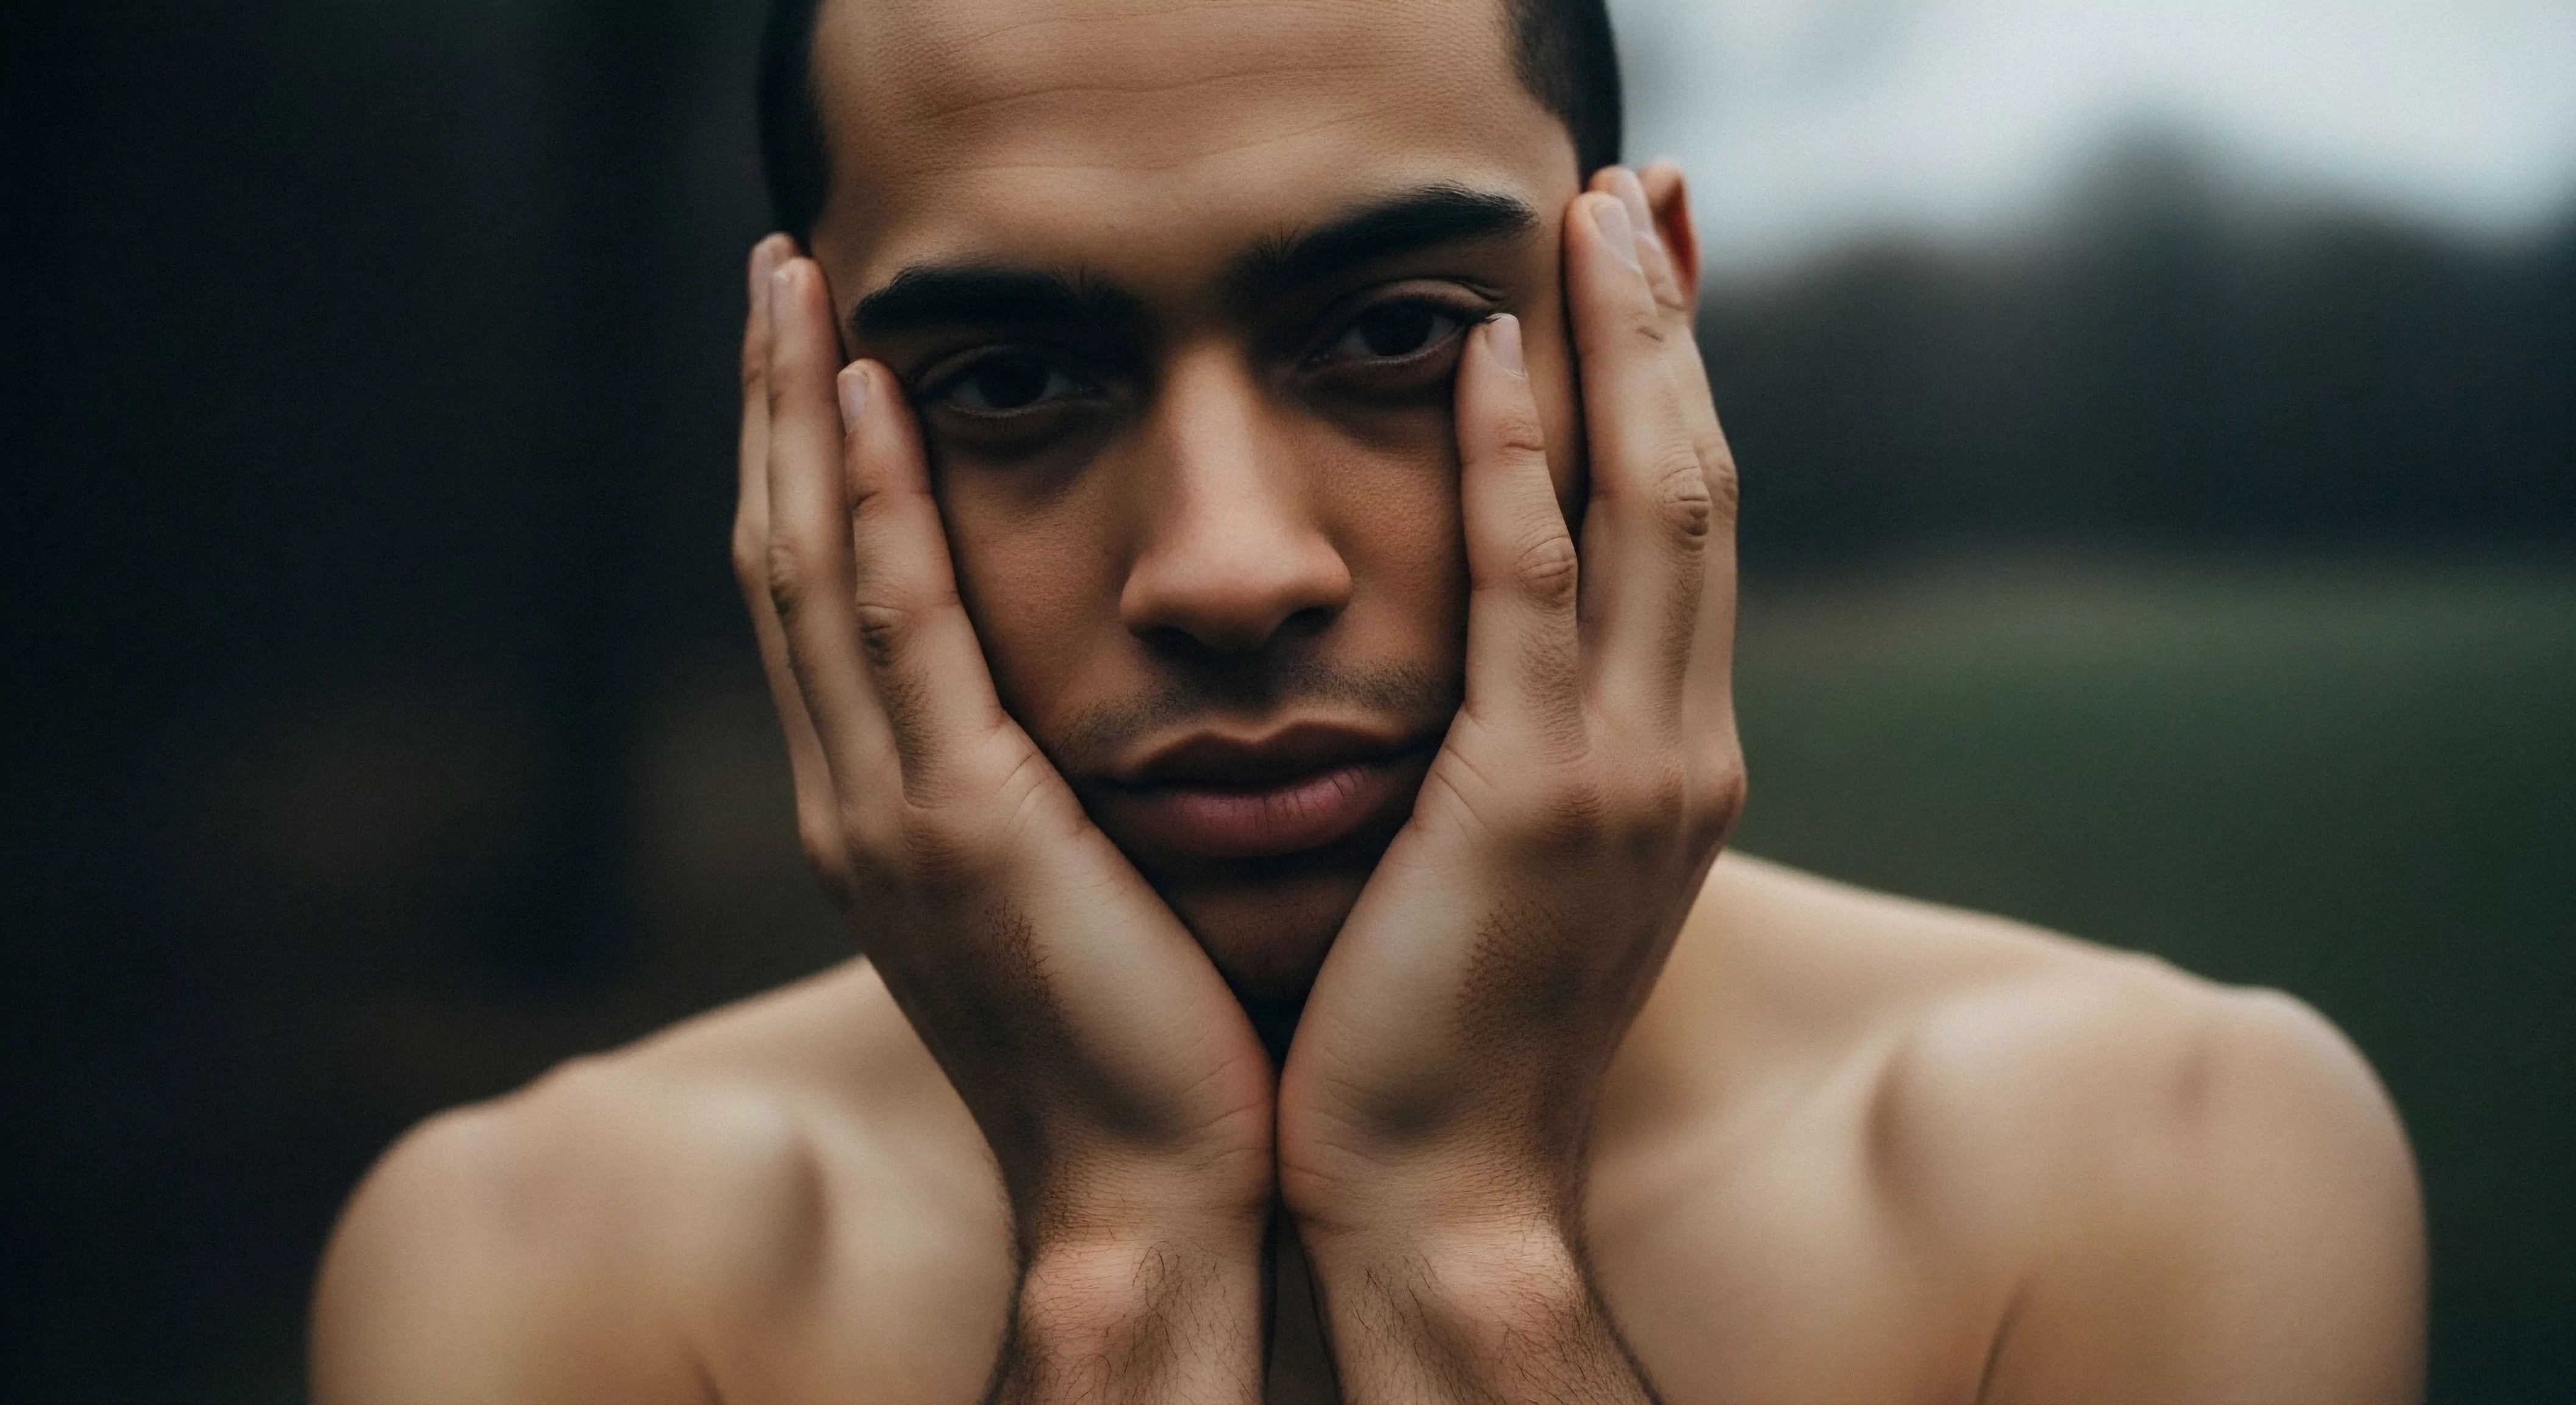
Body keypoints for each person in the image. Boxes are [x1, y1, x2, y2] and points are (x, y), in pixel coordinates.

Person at [309, 0, 2425, 1399]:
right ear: (802, 428)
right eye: (1016, 380)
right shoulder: (538, 1274)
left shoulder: (2164, 1163)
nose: (1231, 568)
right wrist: (1126, 1274)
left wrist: (1456, 1248)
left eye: (1397, 330)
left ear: (1643, 313)